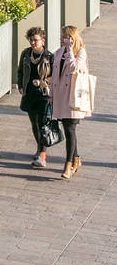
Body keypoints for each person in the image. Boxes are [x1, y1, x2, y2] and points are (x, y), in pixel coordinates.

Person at [50, 26, 90, 179]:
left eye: (64, 37)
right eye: (61, 37)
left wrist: (69, 49)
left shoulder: (81, 52)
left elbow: (74, 68)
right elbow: (54, 76)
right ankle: (76, 159)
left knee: (70, 129)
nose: (61, 39)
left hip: (73, 98)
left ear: (72, 38)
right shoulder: (59, 52)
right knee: (68, 129)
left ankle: (68, 164)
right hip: (61, 97)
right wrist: (51, 96)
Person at [17, 26, 53, 168]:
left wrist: (42, 82)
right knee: (34, 124)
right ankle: (39, 148)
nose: (33, 43)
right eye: (31, 40)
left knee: (43, 125)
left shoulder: (49, 56)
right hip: (29, 94)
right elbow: (20, 71)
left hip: (43, 95)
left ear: (42, 41)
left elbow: (53, 77)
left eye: (35, 40)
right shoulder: (25, 54)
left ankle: (42, 155)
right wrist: (20, 85)